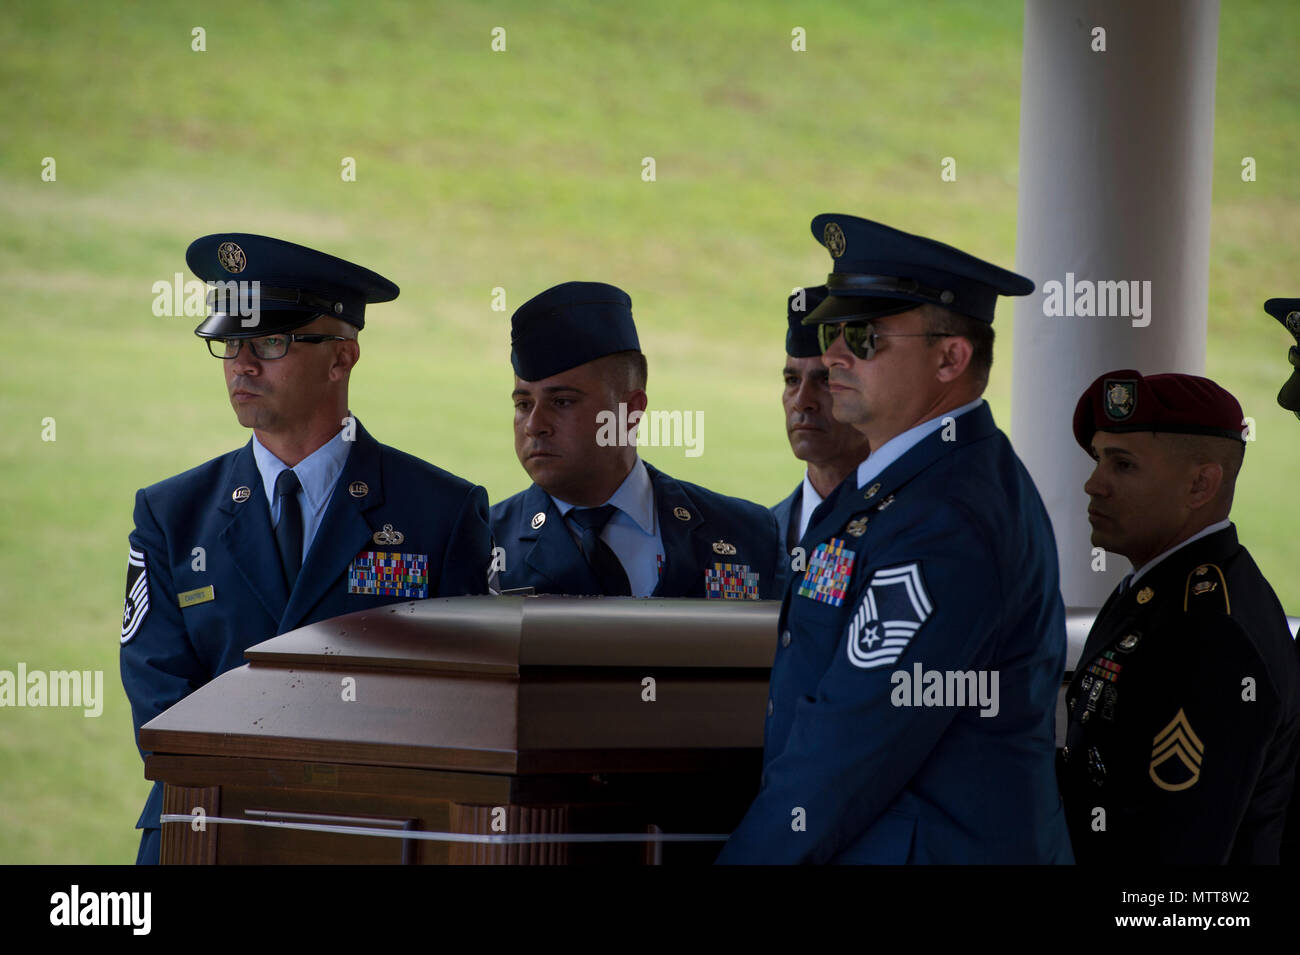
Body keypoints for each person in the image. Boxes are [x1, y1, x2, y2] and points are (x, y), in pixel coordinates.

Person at [121, 233, 493, 864]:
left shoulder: (441, 512)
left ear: (342, 358)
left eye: (269, 342)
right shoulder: (172, 514)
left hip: (368, 830)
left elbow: (458, 698)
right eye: (229, 344)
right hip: (206, 828)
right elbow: (159, 694)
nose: (242, 364)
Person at [717, 213, 1073, 864]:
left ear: (950, 357)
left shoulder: (947, 517)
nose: (833, 356)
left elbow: (847, 748)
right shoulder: (902, 487)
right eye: (832, 331)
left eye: (864, 336)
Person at [1059, 369, 1300, 863]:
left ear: (1200, 484)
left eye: (1122, 465)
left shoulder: (1209, 630)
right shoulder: (1159, 589)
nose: (1093, 484)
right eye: (1098, 459)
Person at [491, 281, 779, 598]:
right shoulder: (483, 544)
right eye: (523, 405)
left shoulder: (746, 533)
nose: (534, 425)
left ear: (630, 411)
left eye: (562, 402)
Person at [772, 285, 871, 593]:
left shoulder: (910, 525)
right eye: (792, 380)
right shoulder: (759, 531)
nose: (802, 401)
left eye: (825, 380)